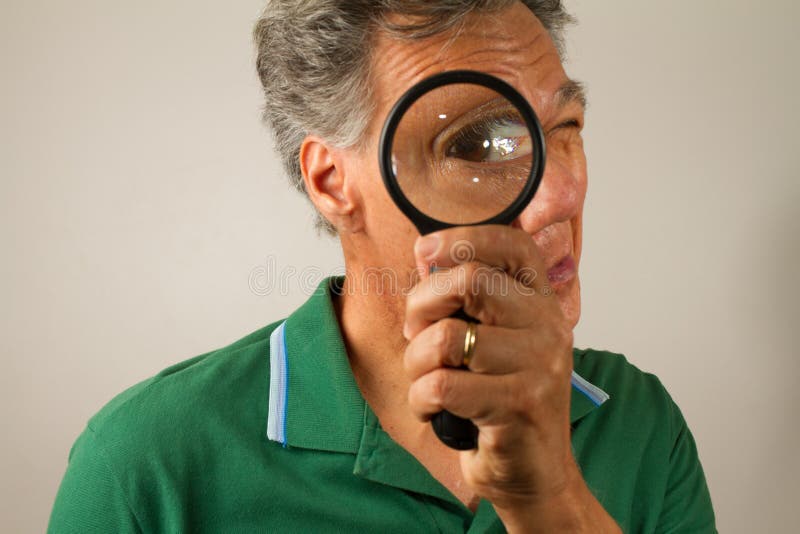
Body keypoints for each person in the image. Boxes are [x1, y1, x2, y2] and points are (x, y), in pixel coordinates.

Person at [48, 1, 716, 532]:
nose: (558, 196)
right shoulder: (145, 467)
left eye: (565, 127)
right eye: (477, 142)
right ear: (333, 182)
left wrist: (553, 501)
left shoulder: (640, 424)